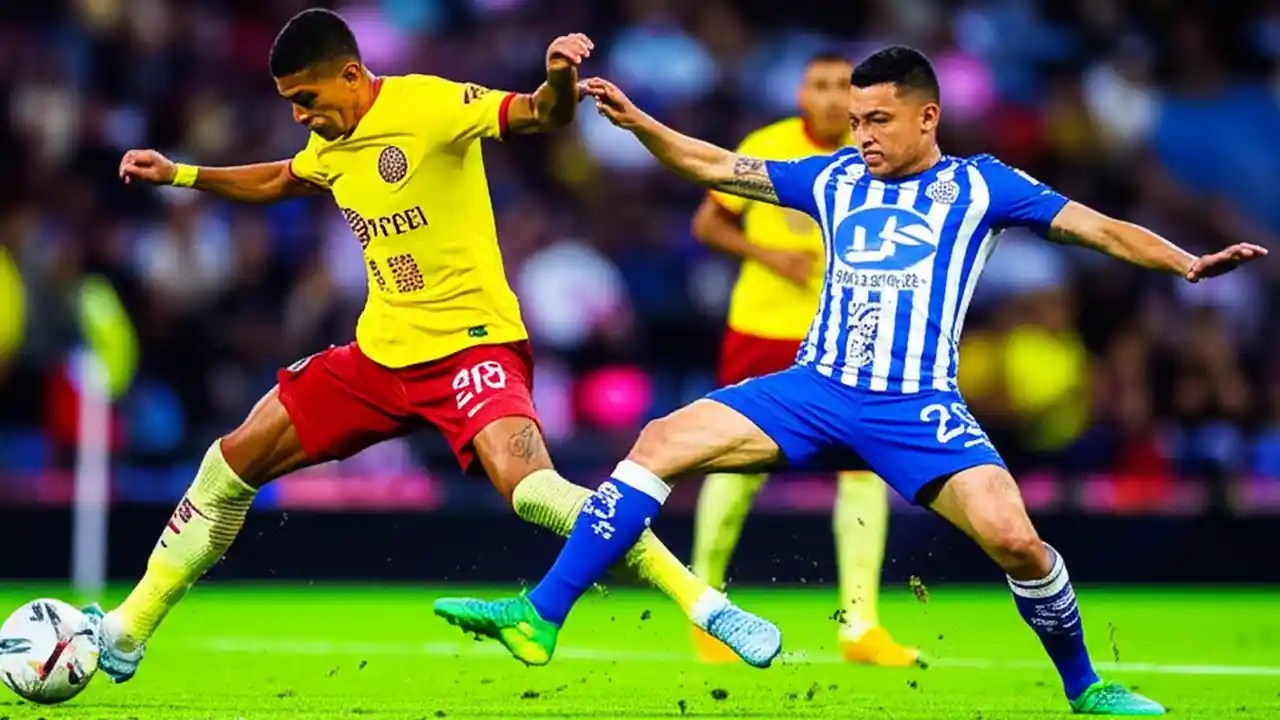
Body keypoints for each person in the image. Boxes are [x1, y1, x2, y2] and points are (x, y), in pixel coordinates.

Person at [433, 46, 1267, 715]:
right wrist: (636, 119)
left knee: (1016, 539)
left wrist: (1186, 263)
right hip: (813, 388)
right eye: (854, 119)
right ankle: (541, 615)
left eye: (877, 119)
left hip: (917, 406)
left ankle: (1086, 685)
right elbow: (718, 168)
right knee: (657, 442)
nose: (860, 133)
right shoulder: (831, 178)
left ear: (926, 116)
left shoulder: (983, 185)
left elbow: (1099, 229)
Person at [83, 7, 777, 682]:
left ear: (351, 75)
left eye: (307, 98)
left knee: (535, 492)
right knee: (228, 463)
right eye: (290, 103)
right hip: (378, 358)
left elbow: (541, 114)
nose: (300, 116)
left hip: (473, 350)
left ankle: (706, 607)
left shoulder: (431, 104)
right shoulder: (331, 141)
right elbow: (283, 177)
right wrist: (180, 174)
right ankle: (127, 632)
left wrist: (561, 76)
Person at [688, 52, 913, 666]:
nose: (834, 96)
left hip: (845, 336)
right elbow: (707, 223)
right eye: (821, 84)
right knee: (736, 468)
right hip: (763, 329)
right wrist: (770, 256)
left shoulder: (879, 155)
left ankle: (860, 625)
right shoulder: (769, 144)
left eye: (844, 86)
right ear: (799, 91)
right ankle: (705, 603)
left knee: (863, 471)